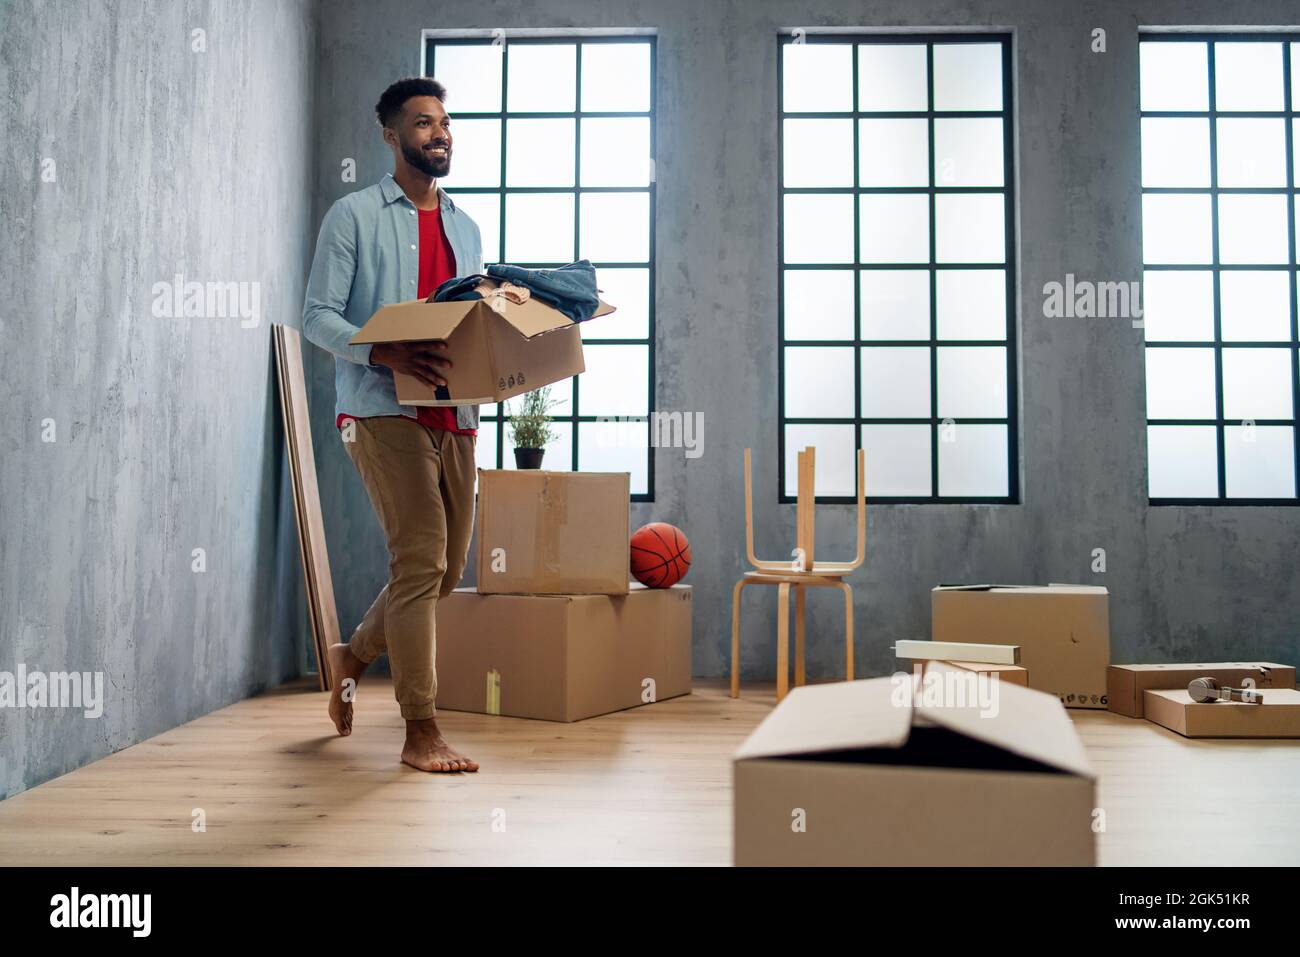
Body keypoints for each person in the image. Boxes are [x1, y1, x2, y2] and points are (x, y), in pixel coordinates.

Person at [302, 77, 482, 773]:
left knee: (442, 570)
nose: (439, 133)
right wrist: (385, 348)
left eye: (444, 123)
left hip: (455, 413)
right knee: (420, 556)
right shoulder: (352, 216)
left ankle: (353, 653)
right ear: (390, 135)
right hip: (380, 407)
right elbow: (318, 315)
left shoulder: (466, 227)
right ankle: (421, 729)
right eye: (422, 123)